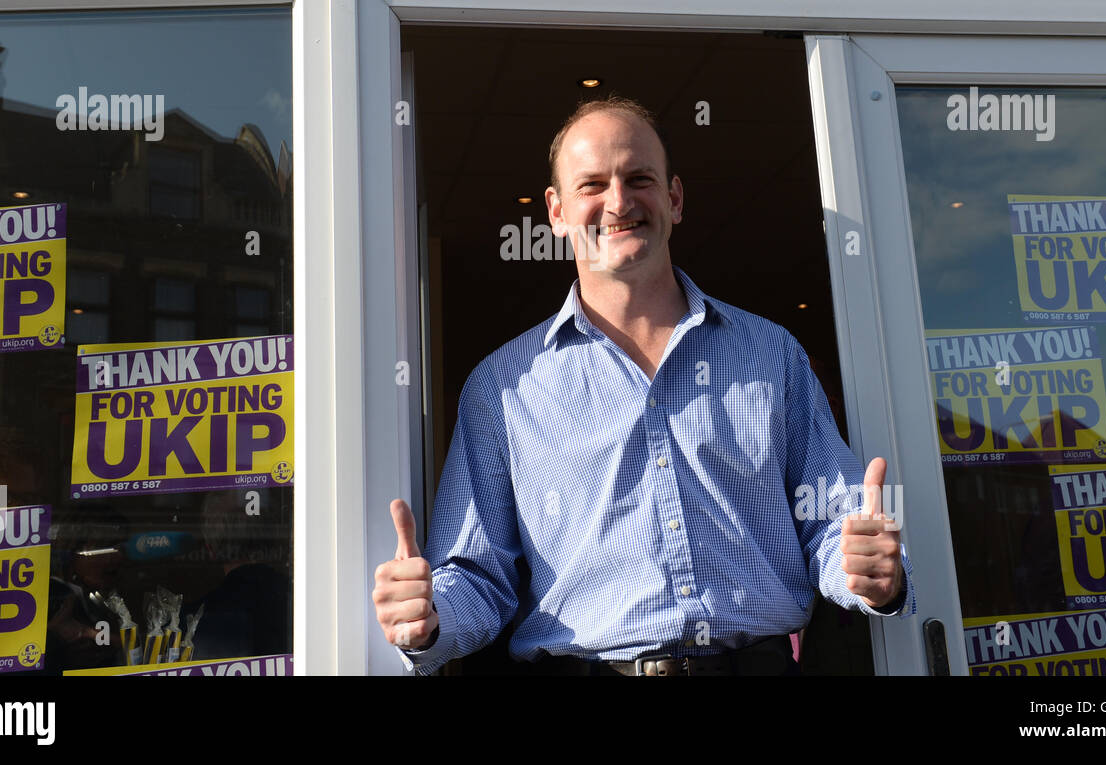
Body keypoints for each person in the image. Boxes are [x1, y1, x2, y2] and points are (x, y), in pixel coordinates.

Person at [371, 95, 914, 675]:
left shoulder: (770, 353)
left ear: (674, 198)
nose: (619, 202)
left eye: (639, 178)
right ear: (555, 211)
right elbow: (479, 576)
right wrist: (430, 619)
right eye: (592, 185)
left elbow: (833, 526)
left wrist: (874, 574)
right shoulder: (502, 388)